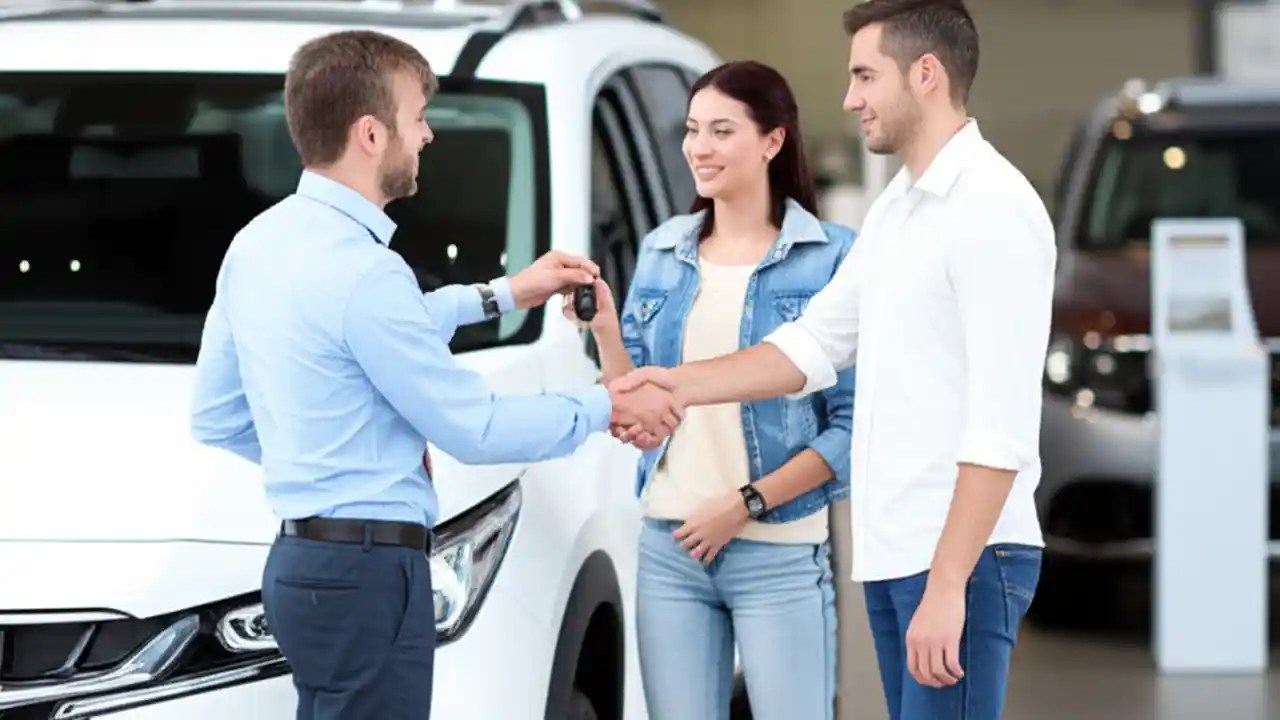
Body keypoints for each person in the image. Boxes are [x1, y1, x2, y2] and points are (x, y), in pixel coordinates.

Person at [188, 30, 679, 720]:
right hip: (368, 575)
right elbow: (475, 428)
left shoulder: (258, 243)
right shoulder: (365, 271)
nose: (425, 136)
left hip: (300, 567)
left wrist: (502, 294)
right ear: (369, 133)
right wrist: (605, 403)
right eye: (418, 117)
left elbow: (217, 414)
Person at [613, 2, 1055, 718]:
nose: (850, 99)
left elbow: (999, 427)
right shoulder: (899, 210)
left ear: (927, 74)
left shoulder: (991, 208)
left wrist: (948, 585)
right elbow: (810, 347)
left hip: (960, 562)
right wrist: (677, 384)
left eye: (864, 76)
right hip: (898, 554)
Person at [564, 60, 855, 720]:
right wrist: (607, 328)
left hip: (777, 550)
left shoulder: (835, 258)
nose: (700, 147)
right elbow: (637, 407)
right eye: (693, 130)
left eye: (722, 130)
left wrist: (743, 504)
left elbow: (852, 427)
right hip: (670, 548)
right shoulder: (666, 249)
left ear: (773, 141)